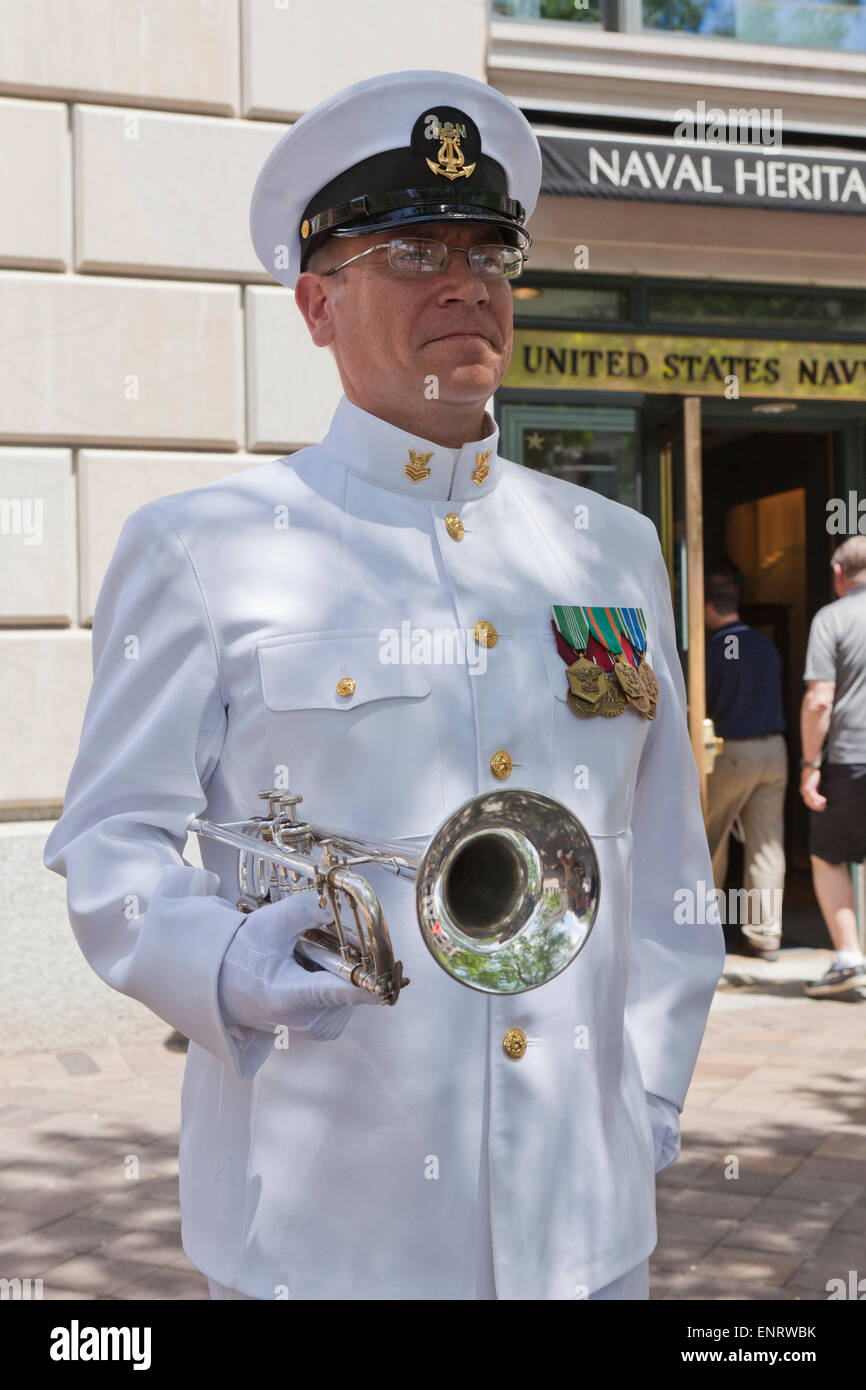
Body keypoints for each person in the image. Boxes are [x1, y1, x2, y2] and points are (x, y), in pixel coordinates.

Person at [43, 69, 725, 1301]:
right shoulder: (206, 546)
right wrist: (223, 966)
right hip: (326, 1239)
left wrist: (644, 1105)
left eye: (490, 250)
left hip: (586, 1236)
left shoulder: (608, 547)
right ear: (316, 304)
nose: (465, 280)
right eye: (411, 248)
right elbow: (109, 846)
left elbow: (665, 868)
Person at [703, 573, 788, 960]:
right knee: (767, 845)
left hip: (730, 751)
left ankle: (702, 930)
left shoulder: (713, 651)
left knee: (711, 841)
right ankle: (764, 934)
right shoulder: (765, 645)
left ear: (706, 608)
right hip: (774, 750)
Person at [800, 535, 866, 999]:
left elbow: (819, 699)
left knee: (828, 855)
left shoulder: (833, 618)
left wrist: (809, 763)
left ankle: (849, 958)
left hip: (850, 756)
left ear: (839, 573)